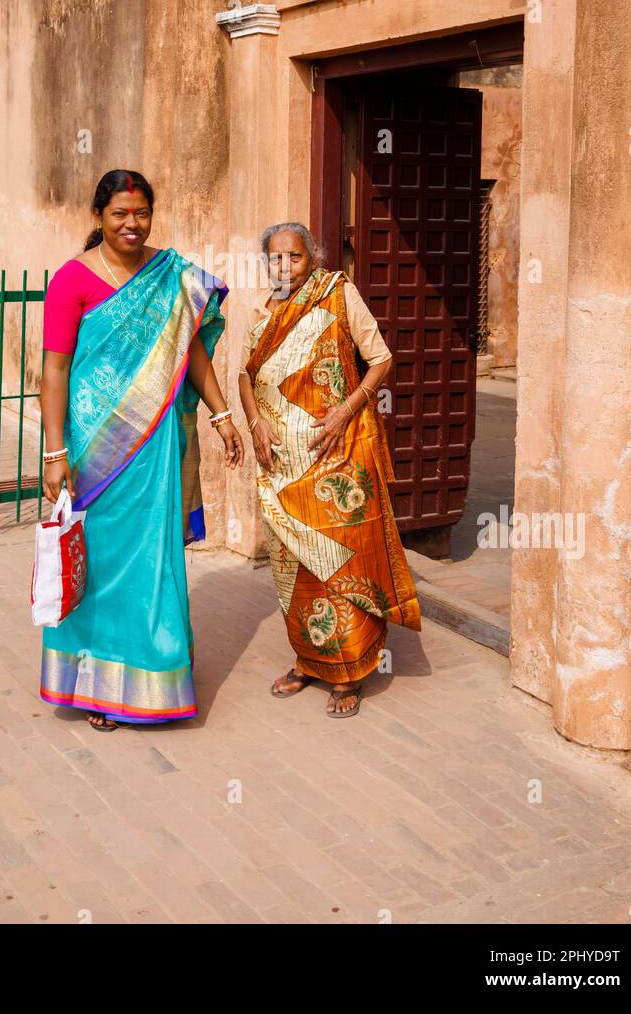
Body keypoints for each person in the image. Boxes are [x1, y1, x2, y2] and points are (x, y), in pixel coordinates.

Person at [39, 168, 243, 731]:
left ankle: (154, 667)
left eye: (142, 212)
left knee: (154, 559)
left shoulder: (170, 277)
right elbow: (54, 370)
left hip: (154, 448)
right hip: (94, 448)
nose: (132, 223)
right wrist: (55, 454)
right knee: (99, 561)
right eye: (119, 214)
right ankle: (101, 683)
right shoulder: (72, 281)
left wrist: (223, 415)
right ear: (98, 217)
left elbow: (191, 354)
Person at [238, 223, 421, 717]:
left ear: (312, 258)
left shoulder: (338, 294)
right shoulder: (263, 311)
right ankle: (309, 659)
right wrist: (253, 421)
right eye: (275, 259)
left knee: (342, 562)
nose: (284, 267)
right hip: (280, 465)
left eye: (294, 258)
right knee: (293, 568)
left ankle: (353, 670)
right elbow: (244, 375)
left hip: (336, 459)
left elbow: (380, 359)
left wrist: (347, 408)